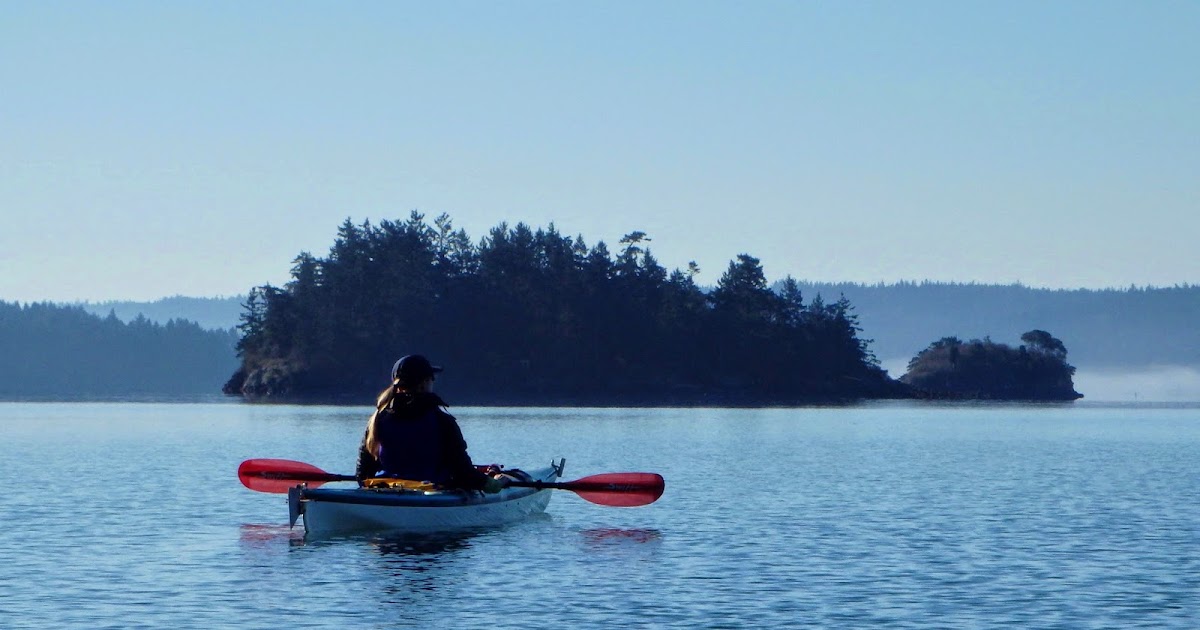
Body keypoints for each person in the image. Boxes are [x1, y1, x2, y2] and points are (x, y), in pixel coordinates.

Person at [356, 354, 507, 493]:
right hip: (432, 492)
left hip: (386, 490)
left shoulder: (377, 420)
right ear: (424, 384)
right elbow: (463, 473)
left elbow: (363, 475)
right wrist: (493, 484)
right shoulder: (442, 421)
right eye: (431, 379)